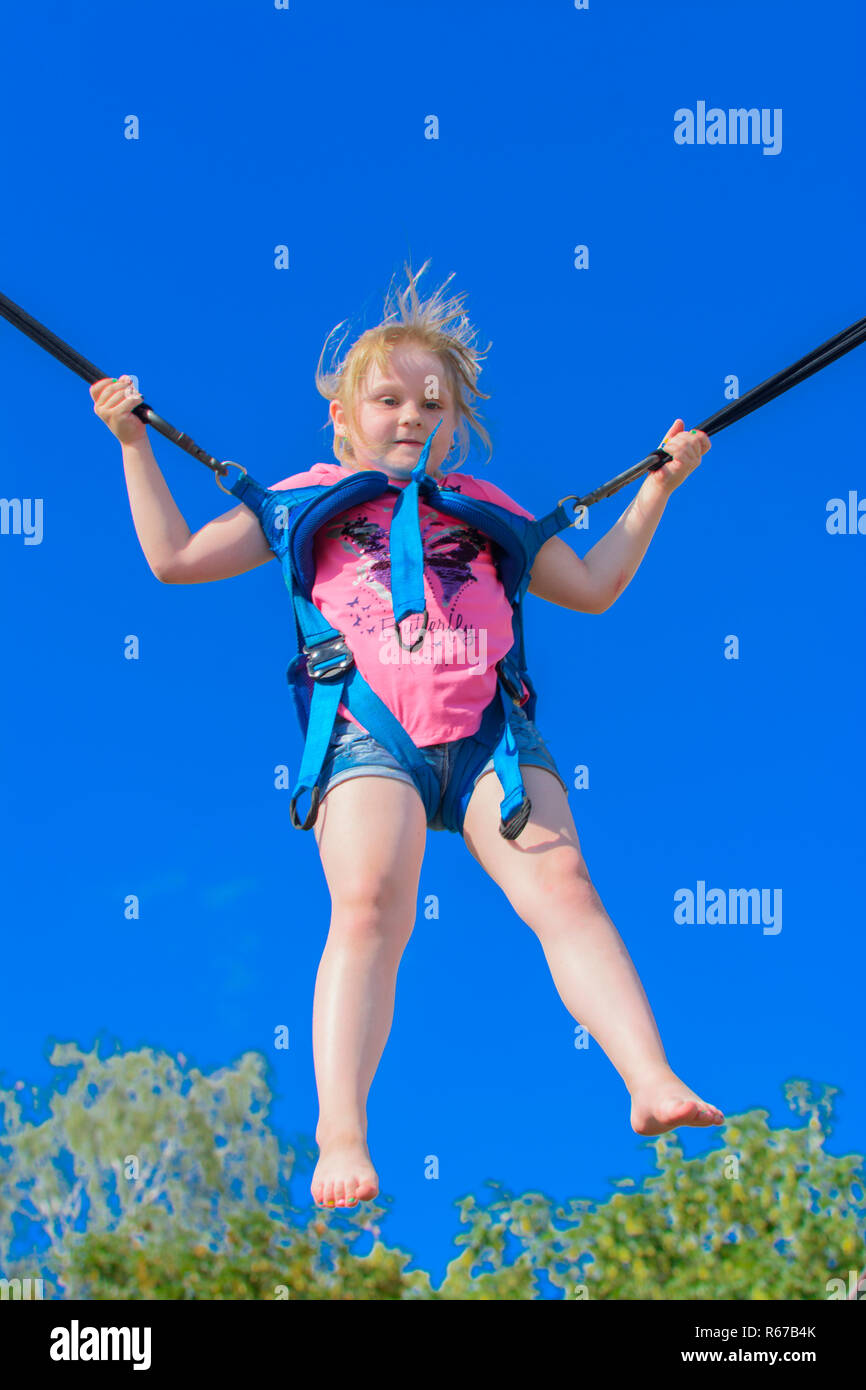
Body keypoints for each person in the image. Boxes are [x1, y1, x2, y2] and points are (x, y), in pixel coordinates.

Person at [90, 262, 719, 1212]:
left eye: (434, 402)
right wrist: (133, 442)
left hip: (490, 740)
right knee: (371, 908)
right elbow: (173, 559)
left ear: (457, 423)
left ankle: (648, 1075)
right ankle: (342, 1132)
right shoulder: (305, 497)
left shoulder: (495, 511)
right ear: (342, 416)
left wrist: (658, 490)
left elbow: (592, 586)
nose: (413, 415)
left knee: (566, 886)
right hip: (365, 735)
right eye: (388, 398)